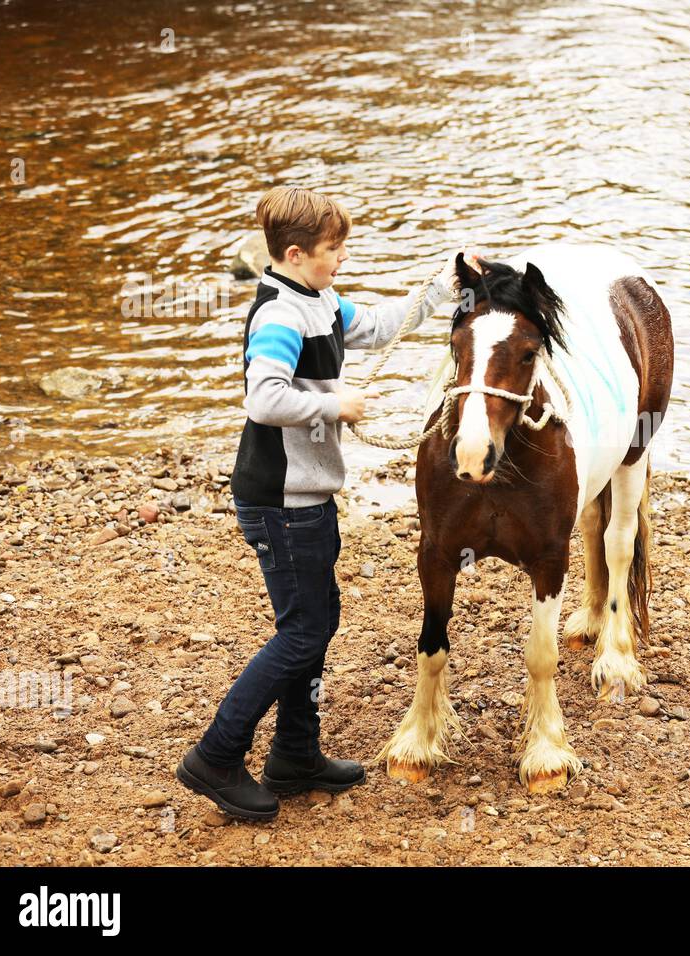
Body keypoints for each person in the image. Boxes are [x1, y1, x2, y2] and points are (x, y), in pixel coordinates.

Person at [175, 184, 485, 820]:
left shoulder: (320, 301)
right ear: (295, 253)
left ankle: (294, 754)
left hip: (306, 496)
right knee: (304, 629)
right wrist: (331, 404)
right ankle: (216, 753)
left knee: (315, 623)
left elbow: (379, 327)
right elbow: (263, 399)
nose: (341, 259)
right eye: (333, 250)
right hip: (281, 501)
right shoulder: (280, 316)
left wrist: (442, 286)